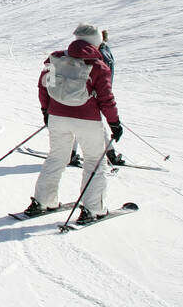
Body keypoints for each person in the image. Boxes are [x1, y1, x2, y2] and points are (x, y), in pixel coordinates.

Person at [24, 23, 124, 225]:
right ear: (97, 41)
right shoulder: (98, 65)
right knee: (95, 161)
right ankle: (93, 208)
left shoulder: (56, 58)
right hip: (88, 120)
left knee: (56, 157)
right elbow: (106, 98)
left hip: (58, 117)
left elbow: (43, 86)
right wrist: (114, 123)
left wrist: (46, 110)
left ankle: (43, 201)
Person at [100, 30, 125, 166]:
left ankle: (110, 154)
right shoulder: (105, 51)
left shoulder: (101, 52)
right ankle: (110, 153)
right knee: (91, 124)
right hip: (101, 92)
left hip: (98, 92)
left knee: (87, 123)